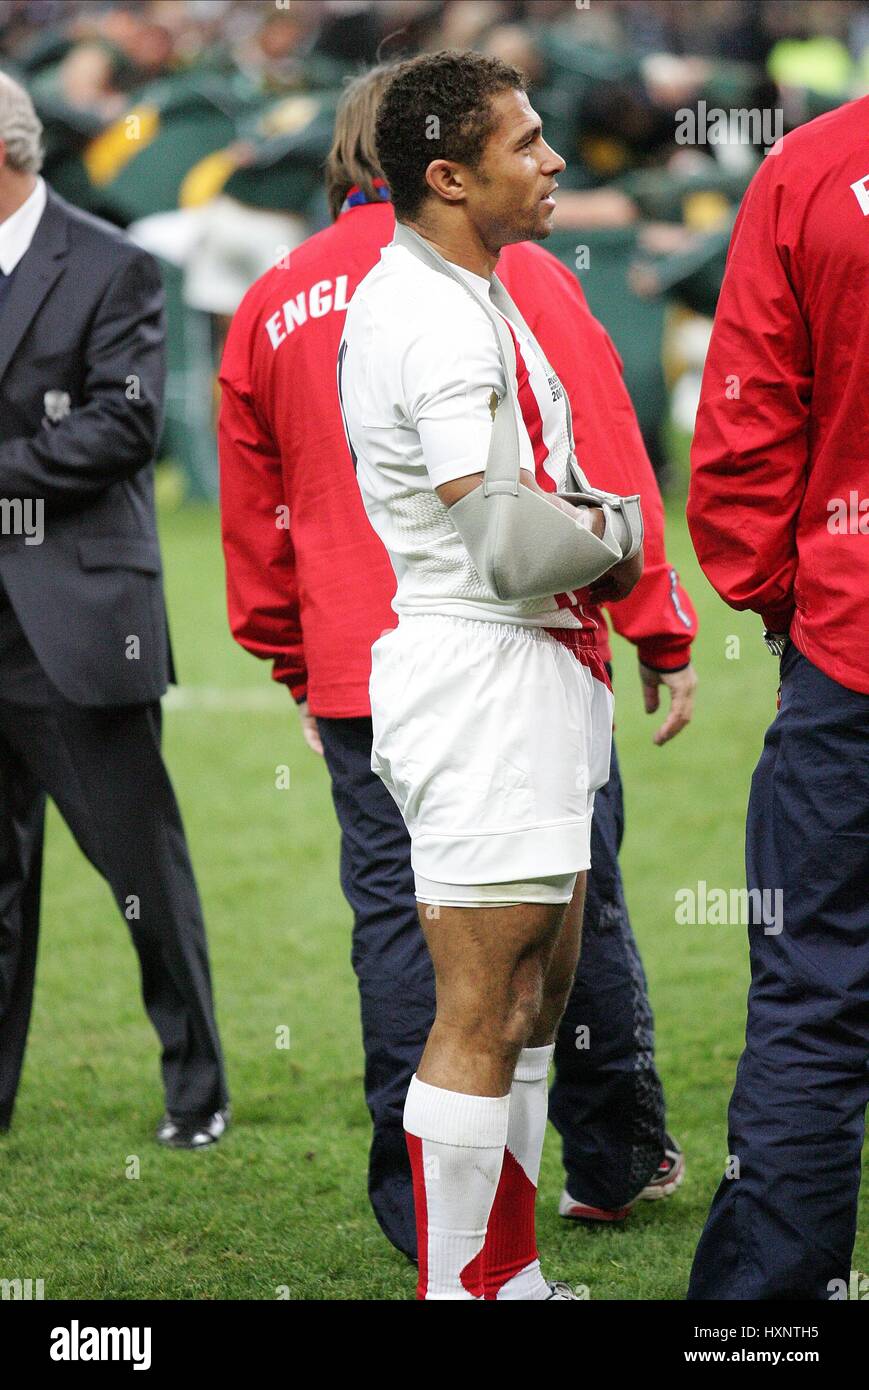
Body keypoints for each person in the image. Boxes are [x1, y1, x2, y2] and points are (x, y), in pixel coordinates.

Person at [219, 61, 697, 1266]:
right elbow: (497, 535)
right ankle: (468, 1277)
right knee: (482, 1002)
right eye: (527, 143)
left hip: (469, 667)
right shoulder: (439, 309)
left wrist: (288, 659)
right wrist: (630, 541)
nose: (554, 162)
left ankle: (505, 1266)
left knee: (524, 995)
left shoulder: (438, 285)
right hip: (482, 670)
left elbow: (256, 525)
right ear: (443, 173)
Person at [0, 71, 228, 1148]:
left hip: (76, 626)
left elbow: (120, 430)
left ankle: (198, 1088)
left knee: (141, 874)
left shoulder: (112, 262)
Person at [686, 94, 869, 1299]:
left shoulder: (812, 166)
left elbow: (744, 426)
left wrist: (781, 608)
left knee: (811, 997)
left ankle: (760, 1317)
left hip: (848, 646)